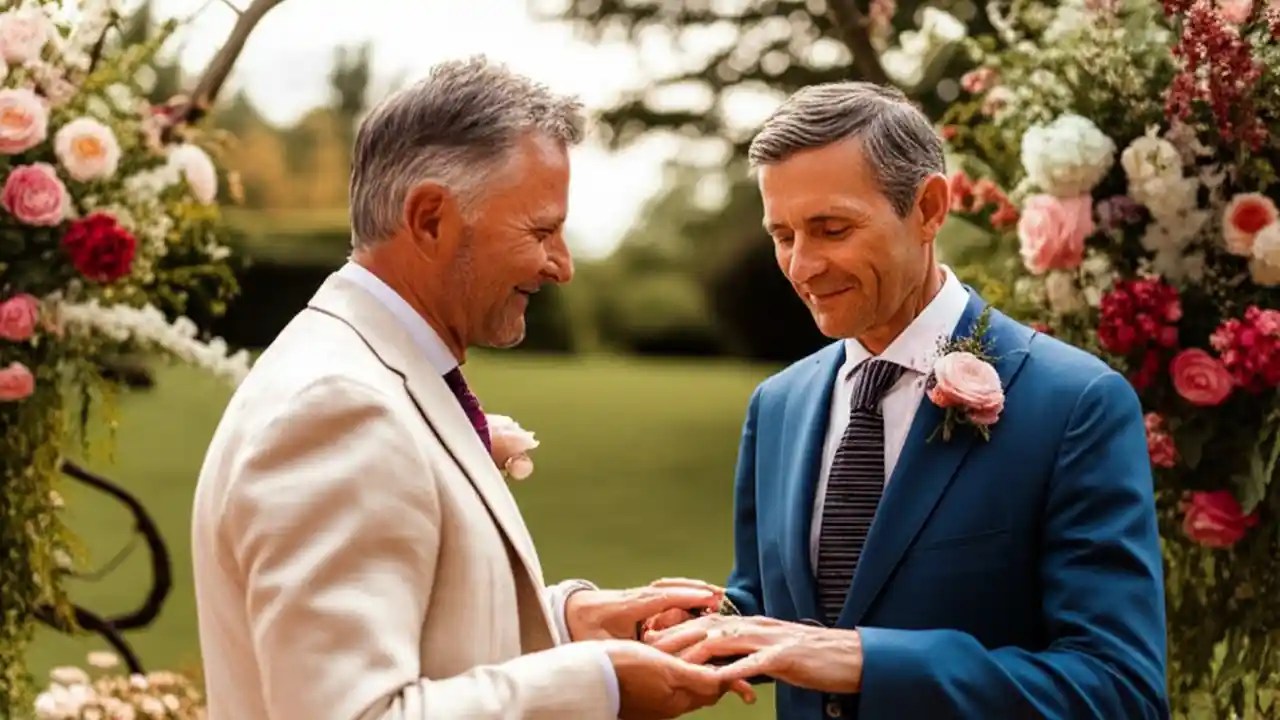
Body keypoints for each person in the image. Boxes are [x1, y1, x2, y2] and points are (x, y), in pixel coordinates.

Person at [190, 56, 752, 720]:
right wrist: (596, 684)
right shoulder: (340, 407)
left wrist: (567, 623)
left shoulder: (372, 371)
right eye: (541, 230)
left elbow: (418, 636)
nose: (562, 266)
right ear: (430, 219)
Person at [644, 82, 1169, 719]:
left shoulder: (1077, 404)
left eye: (831, 229)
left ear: (928, 208)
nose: (802, 266)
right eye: (782, 235)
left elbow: (1119, 690)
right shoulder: (776, 405)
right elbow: (780, 609)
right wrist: (704, 628)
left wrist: (864, 660)